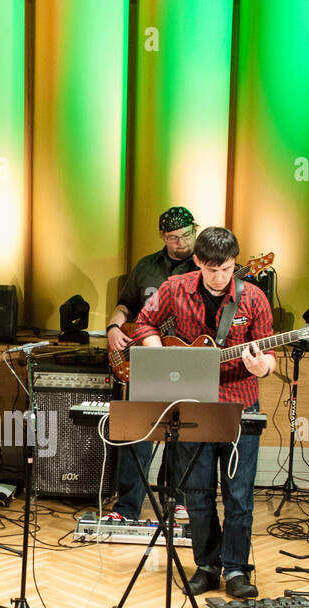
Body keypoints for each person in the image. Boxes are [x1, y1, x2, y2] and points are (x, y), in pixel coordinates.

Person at [132, 225, 274, 598]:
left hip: (240, 401)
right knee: (196, 492)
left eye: (226, 269)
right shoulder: (174, 288)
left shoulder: (254, 298)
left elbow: (269, 355)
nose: (219, 277)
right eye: (211, 269)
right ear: (198, 261)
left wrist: (263, 367)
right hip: (192, 401)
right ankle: (207, 565)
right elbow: (144, 323)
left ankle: (237, 569)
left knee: (239, 494)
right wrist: (161, 354)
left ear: (234, 263)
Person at [104, 206, 200, 523]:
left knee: (183, 430)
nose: (182, 242)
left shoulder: (204, 266)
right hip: (144, 357)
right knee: (139, 432)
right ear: (162, 236)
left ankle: (178, 499)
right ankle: (127, 506)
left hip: (187, 358)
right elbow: (126, 304)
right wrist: (114, 328)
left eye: (187, 234)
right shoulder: (147, 266)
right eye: (174, 237)